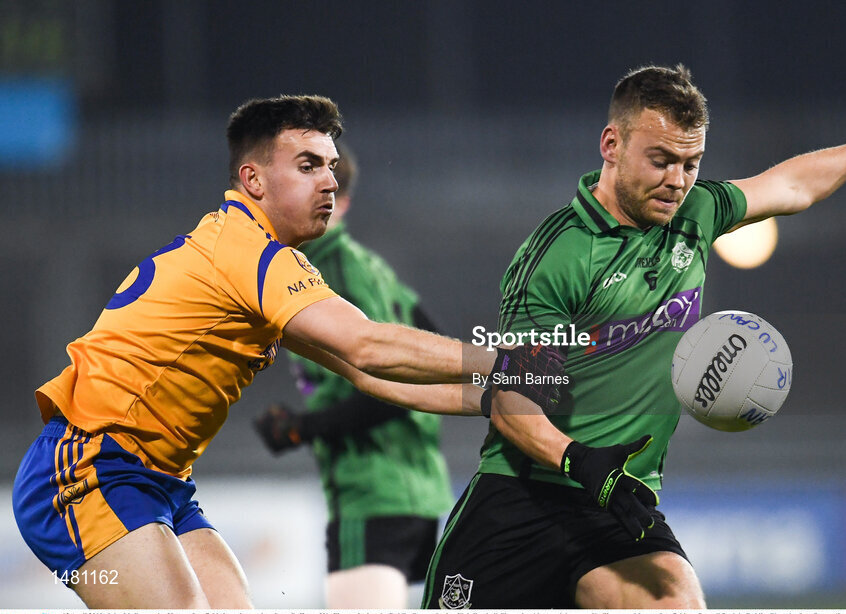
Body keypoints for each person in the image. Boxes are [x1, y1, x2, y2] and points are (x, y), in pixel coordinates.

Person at [422, 64, 846, 609]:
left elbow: (791, 186)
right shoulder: (559, 256)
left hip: (618, 502)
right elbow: (514, 407)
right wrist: (585, 464)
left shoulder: (695, 214)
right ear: (611, 145)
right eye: (662, 160)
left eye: (691, 163)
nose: (677, 180)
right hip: (520, 500)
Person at [11, 94, 560, 609]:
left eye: (330, 166)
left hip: (159, 483)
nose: (328, 181)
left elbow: (370, 377)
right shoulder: (250, 254)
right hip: (84, 473)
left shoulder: (254, 257)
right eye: (307, 166)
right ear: (252, 179)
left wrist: (493, 399)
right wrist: (510, 361)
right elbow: (367, 345)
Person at [252, 143, 454, 608]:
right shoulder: (375, 270)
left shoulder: (328, 271)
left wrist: (301, 428)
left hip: (373, 490)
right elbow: (437, 353)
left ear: (340, 203)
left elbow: (395, 386)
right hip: (417, 492)